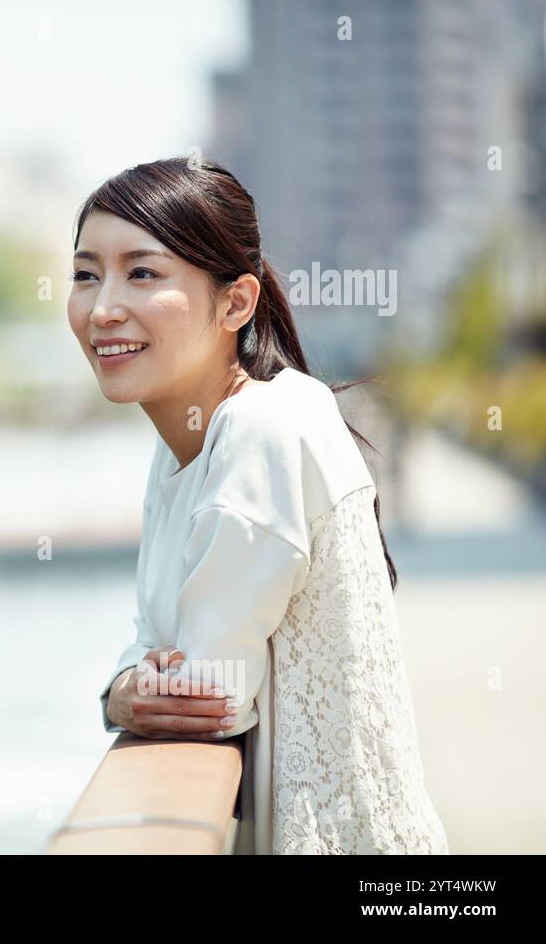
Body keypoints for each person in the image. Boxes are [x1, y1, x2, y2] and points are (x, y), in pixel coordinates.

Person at [72, 157, 448, 854]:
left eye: (143, 273)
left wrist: (121, 695)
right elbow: (155, 642)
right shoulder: (189, 439)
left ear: (235, 303)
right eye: (86, 273)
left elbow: (208, 693)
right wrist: (130, 683)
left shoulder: (261, 427)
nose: (102, 309)